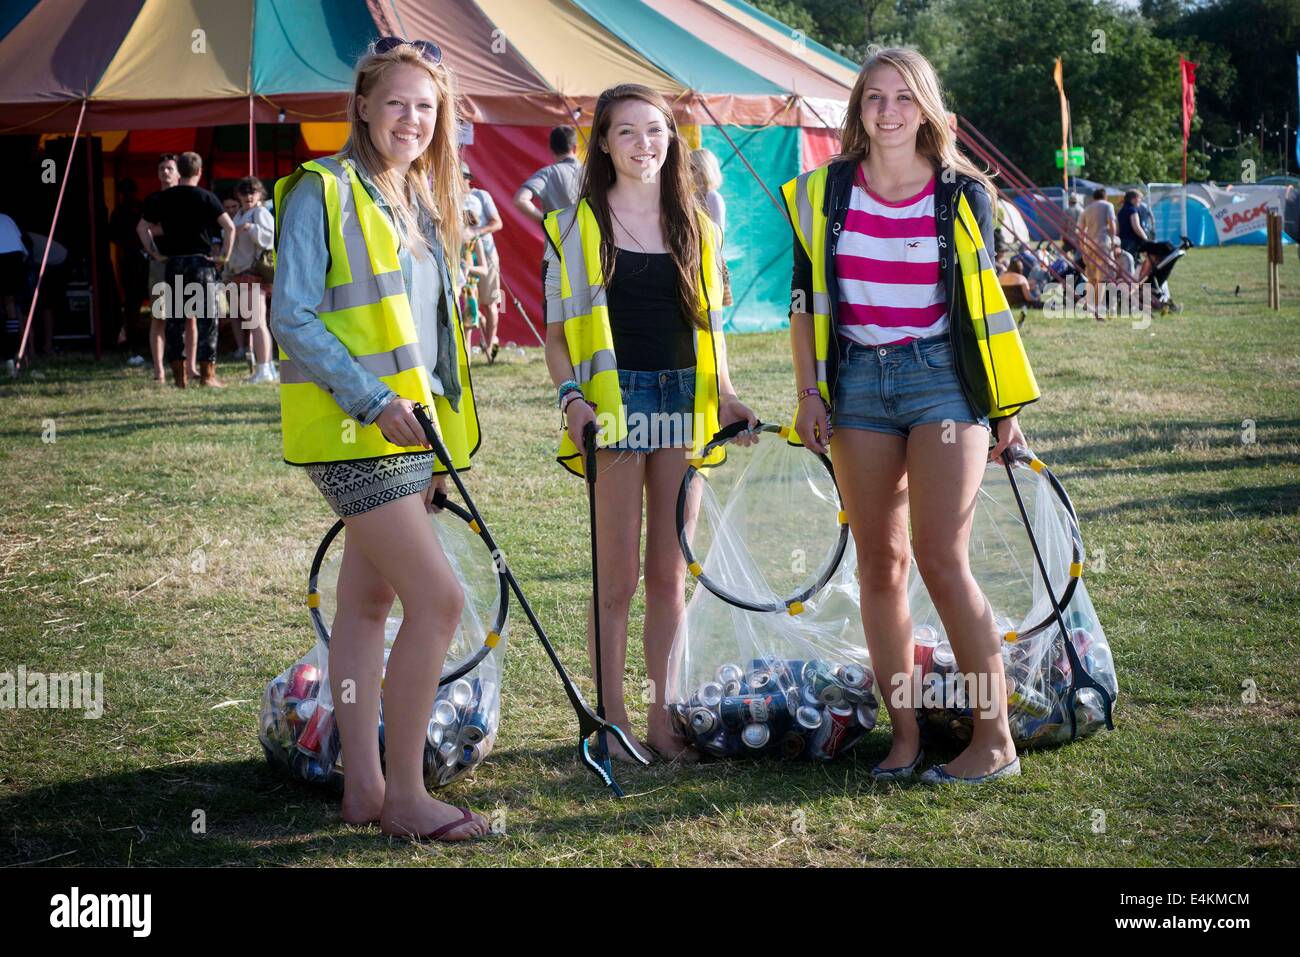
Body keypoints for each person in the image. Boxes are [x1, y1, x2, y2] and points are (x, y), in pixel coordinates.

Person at [785, 47, 1040, 785]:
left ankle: (994, 740)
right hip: (858, 385)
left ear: (926, 110)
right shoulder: (822, 193)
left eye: (903, 98)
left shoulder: (963, 196)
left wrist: (1004, 413)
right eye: (875, 98)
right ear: (858, 111)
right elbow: (802, 306)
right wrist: (809, 391)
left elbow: (984, 312)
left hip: (944, 384)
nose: (889, 111)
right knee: (881, 563)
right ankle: (903, 737)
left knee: (940, 556)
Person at [269, 36, 488, 841]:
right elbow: (290, 315)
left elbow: (424, 342)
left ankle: (362, 789)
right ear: (362, 104)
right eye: (396, 102)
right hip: (352, 432)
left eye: (426, 106)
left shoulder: (419, 200)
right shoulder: (320, 190)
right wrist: (370, 400)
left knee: (366, 606)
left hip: (408, 437)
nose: (411, 119)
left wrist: (436, 451)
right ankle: (405, 795)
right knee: (441, 598)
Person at [543, 84, 757, 762]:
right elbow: (554, 337)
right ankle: (612, 720)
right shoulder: (574, 224)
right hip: (613, 406)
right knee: (618, 579)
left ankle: (663, 722)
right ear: (602, 142)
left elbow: (710, 325)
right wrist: (571, 398)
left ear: (674, 141)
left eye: (657, 131)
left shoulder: (698, 222)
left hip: (683, 404)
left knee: (669, 575)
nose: (644, 144)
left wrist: (726, 394)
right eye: (628, 132)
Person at [139, 151, 234, 386]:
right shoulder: (207, 197)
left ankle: (179, 378)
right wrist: (224, 256)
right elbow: (229, 227)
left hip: (174, 263)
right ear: (199, 172)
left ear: (179, 172)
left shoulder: (163, 198)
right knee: (206, 320)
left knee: (175, 321)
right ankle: (207, 376)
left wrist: (155, 253)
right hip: (201, 264)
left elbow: (142, 228)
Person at [517, 126, 581, 299]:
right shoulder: (592, 173)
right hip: (589, 255)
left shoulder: (548, 173)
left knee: (555, 317)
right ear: (575, 147)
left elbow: (521, 199)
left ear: (551, 149)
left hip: (555, 255)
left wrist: (544, 220)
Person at [223, 176, 277, 383]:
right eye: (244, 192)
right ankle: (266, 367)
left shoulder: (260, 212)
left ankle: (264, 369)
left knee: (257, 321)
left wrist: (251, 229)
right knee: (254, 321)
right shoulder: (240, 213)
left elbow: (270, 238)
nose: (248, 196)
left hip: (254, 272)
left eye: (252, 192)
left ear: (260, 194)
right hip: (241, 272)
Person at [137, 154, 180, 381]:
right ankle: (159, 370)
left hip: (185, 263)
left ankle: (189, 367)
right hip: (161, 264)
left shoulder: (187, 197)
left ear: (179, 172)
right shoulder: (153, 200)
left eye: (170, 168)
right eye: (162, 168)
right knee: (159, 317)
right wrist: (154, 253)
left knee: (188, 317)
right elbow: (145, 229)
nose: (165, 172)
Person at [461, 162, 503, 361]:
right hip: (462, 257)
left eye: (460, 177)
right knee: (470, 303)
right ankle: (481, 341)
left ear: (468, 179)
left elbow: (497, 223)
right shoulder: (448, 197)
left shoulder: (480, 196)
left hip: (485, 252)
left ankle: (490, 343)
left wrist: (474, 233)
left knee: (490, 302)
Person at [690, 147, 733, 307]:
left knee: (711, 303)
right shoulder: (692, 196)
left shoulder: (713, 197)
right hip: (692, 256)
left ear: (704, 170)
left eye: (692, 168)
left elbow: (717, 232)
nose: (688, 172)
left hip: (709, 257)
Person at [1080, 187, 1116, 318]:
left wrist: (1082, 248)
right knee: (1102, 277)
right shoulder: (1108, 205)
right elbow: (1112, 224)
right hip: (1102, 243)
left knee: (1091, 277)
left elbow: (1081, 230)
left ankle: (1089, 305)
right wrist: (1113, 240)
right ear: (1105, 196)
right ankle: (1097, 307)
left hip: (1089, 244)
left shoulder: (1086, 209)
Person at [0, 210, 26, 371]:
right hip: (13, 258)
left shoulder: (7, 219)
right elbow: (22, 245)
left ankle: (7, 347)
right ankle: (13, 346)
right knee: (10, 302)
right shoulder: (7, 219)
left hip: (9, 257)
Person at [1117, 188, 1151, 261]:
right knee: (1133, 262)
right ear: (1133, 199)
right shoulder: (1132, 210)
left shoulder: (1121, 210)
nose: (1140, 201)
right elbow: (1136, 227)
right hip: (1131, 242)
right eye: (1139, 199)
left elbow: (1118, 228)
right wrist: (1145, 238)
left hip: (1122, 241)